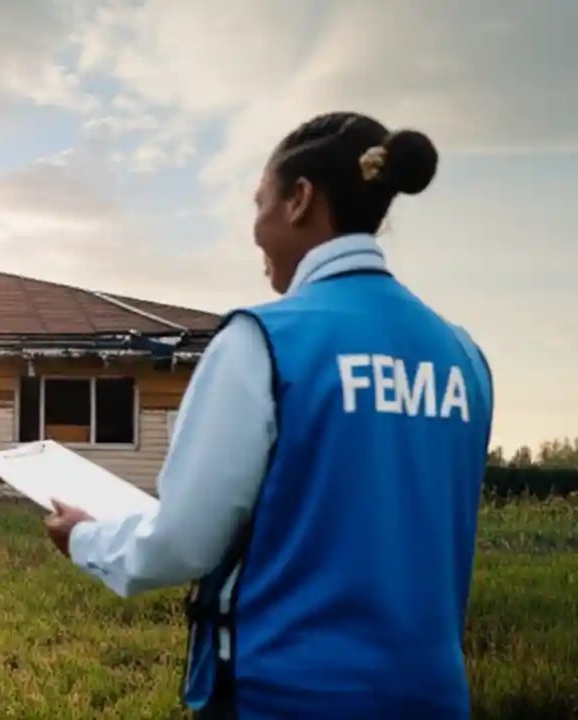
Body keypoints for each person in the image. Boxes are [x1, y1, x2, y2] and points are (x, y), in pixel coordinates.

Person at [44, 112, 493, 719]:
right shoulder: (462, 354)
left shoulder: (263, 341)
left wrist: (85, 538)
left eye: (260, 203)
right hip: (430, 698)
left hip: (285, 695)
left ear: (300, 200)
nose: (254, 229)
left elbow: (183, 543)